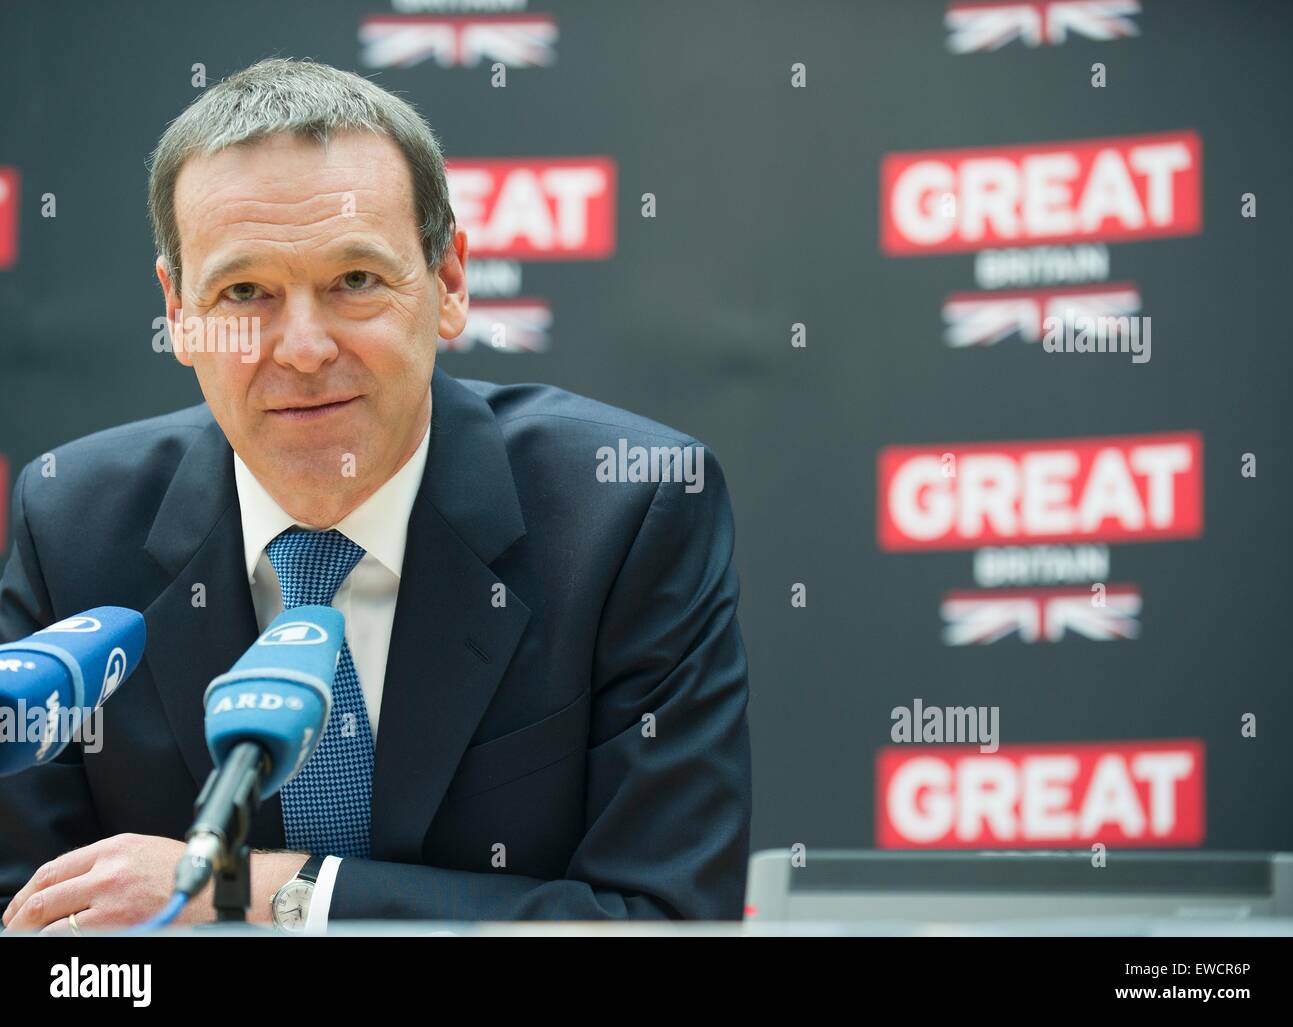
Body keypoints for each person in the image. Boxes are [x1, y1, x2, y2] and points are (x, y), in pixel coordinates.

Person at [0, 58, 751, 932]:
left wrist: (252, 889)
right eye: (246, 292)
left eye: (355, 280)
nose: (306, 346)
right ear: (180, 313)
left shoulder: (625, 515)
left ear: (450, 282)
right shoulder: (72, 526)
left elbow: (665, 916)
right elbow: (32, 922)